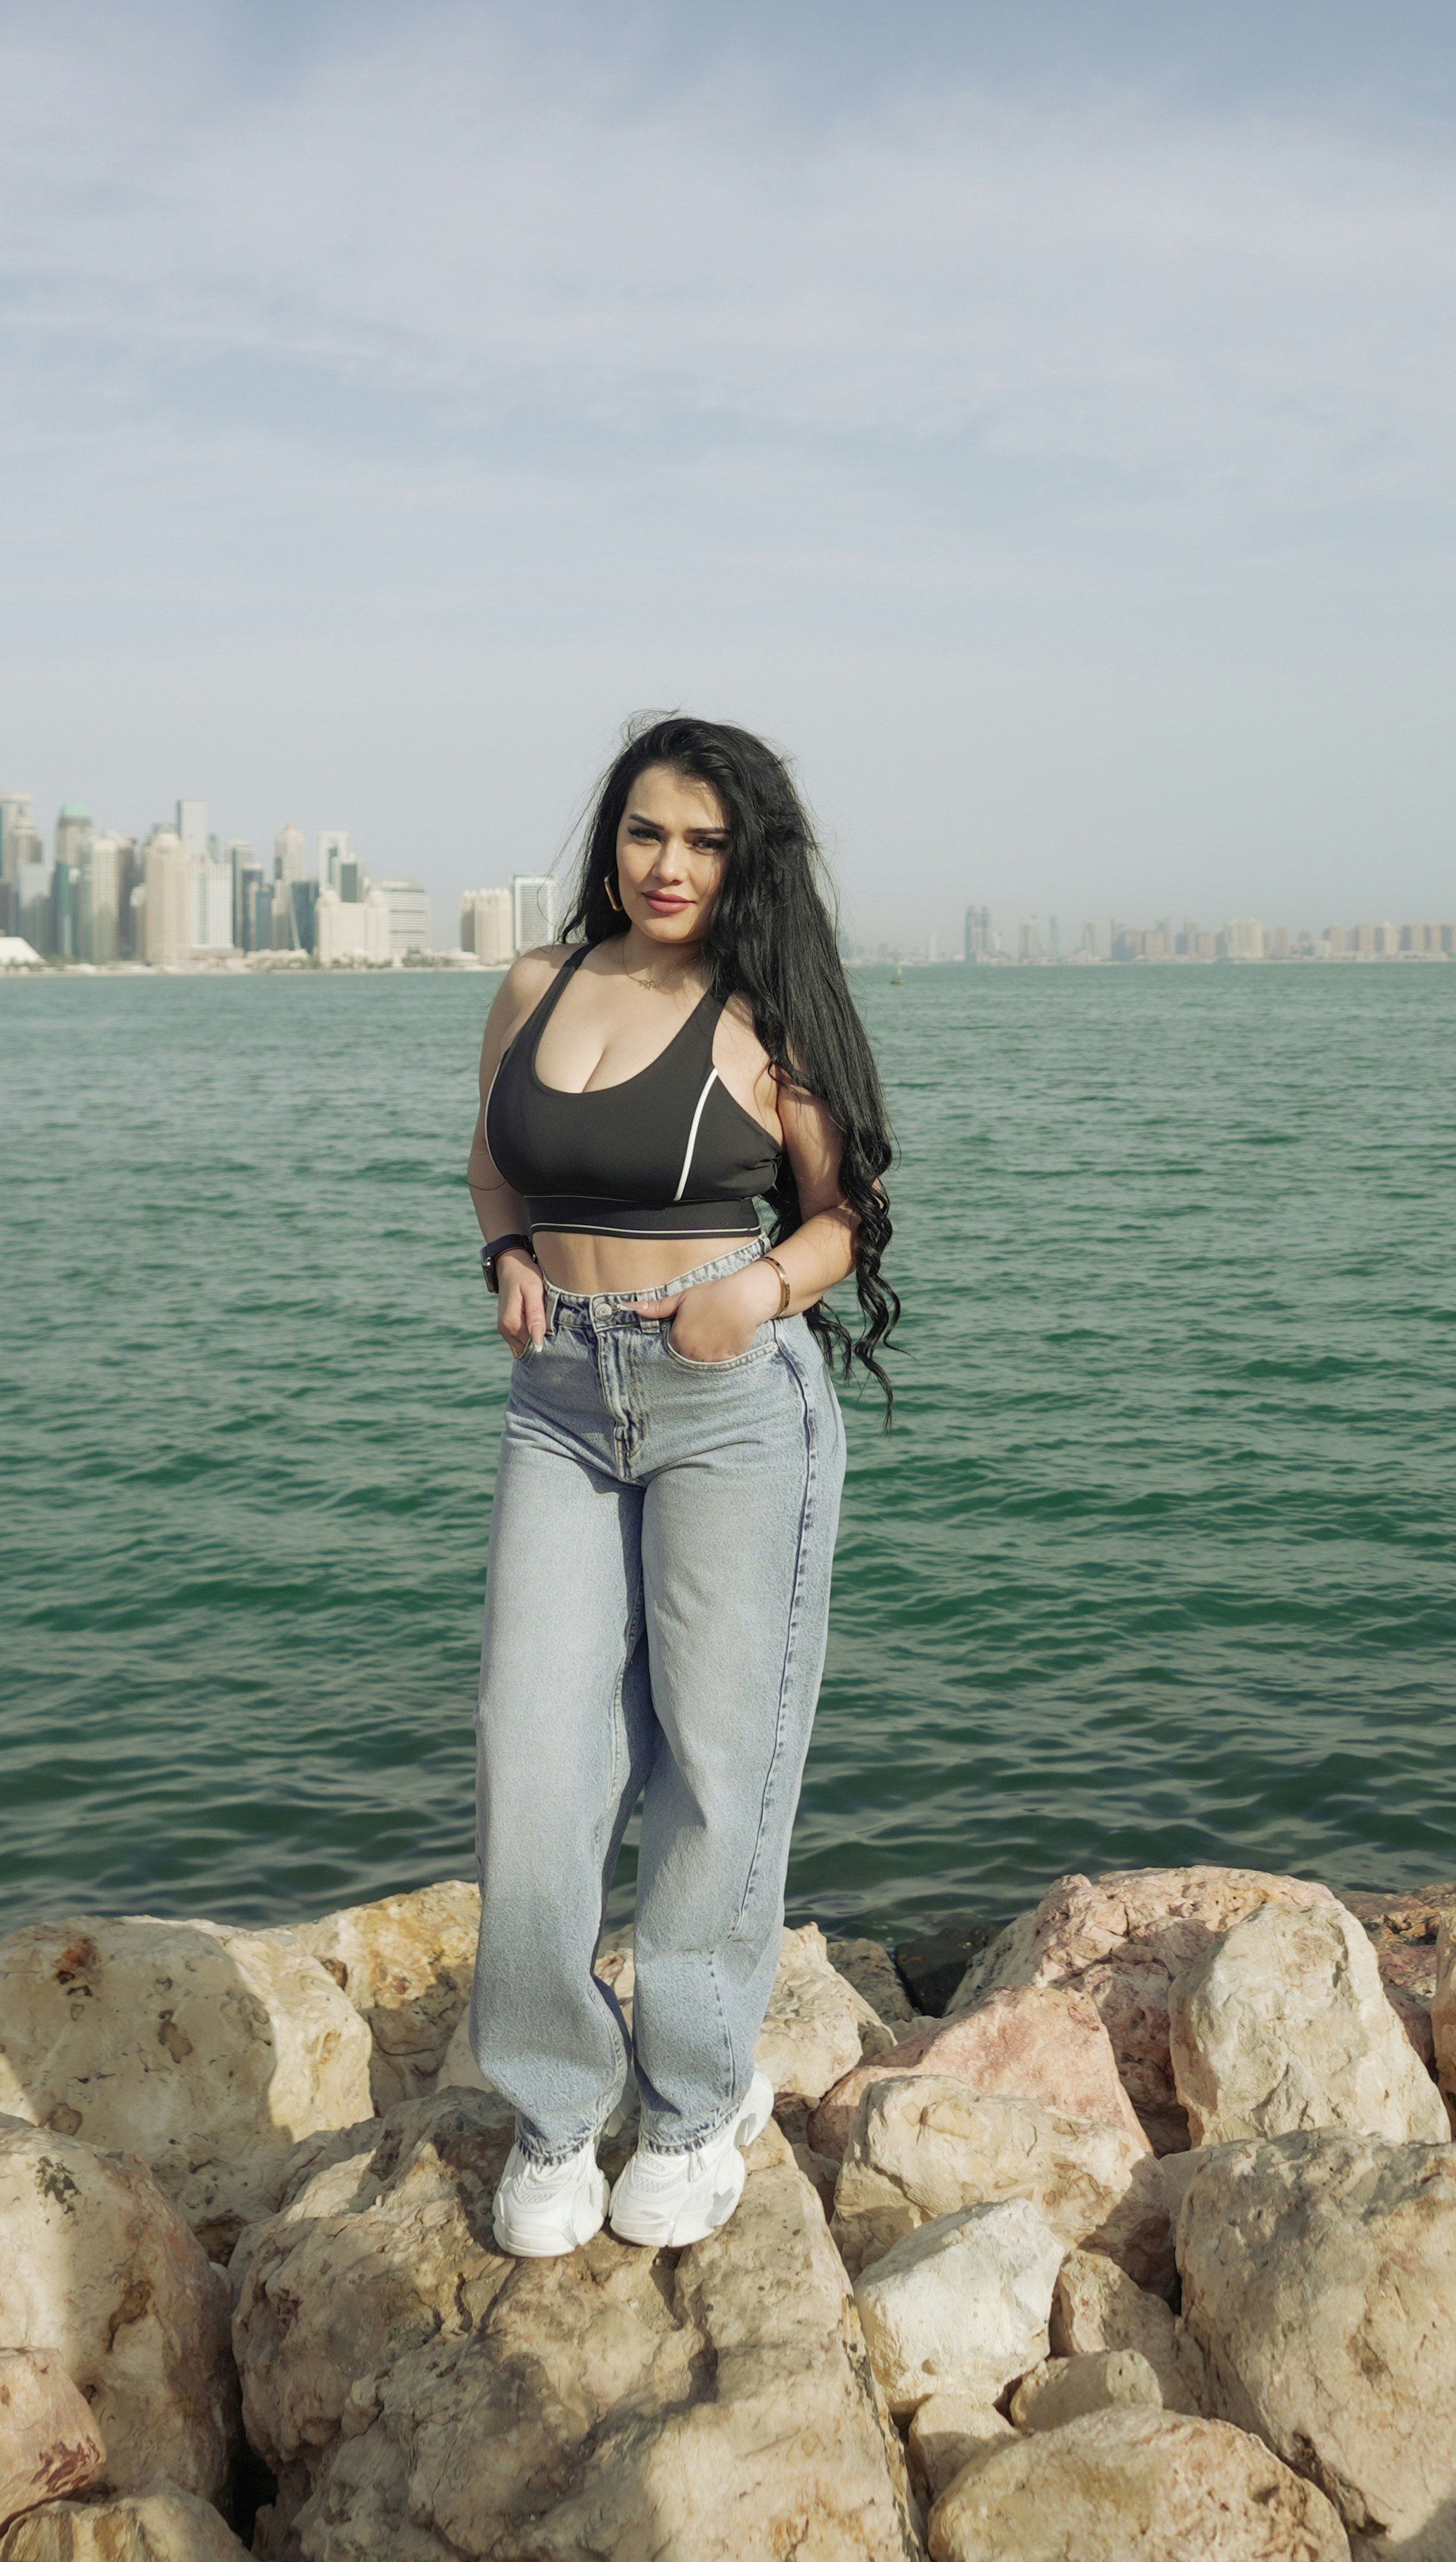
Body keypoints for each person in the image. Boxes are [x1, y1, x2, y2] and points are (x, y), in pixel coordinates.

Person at [465, 713, 901, 2253]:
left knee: (717, 1764)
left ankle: (700, 2097)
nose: (672, 864)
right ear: (612, 839)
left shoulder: (767, 1010)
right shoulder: (535, 983)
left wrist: (762, 1289)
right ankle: (552, 2105)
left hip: (728, 1396)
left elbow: (847, 1215)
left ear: (745, 857)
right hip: (561, 1403)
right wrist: (509, 1255)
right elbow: (493, 1159)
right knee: (536, 1753)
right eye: (650, 832)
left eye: (707, 841)